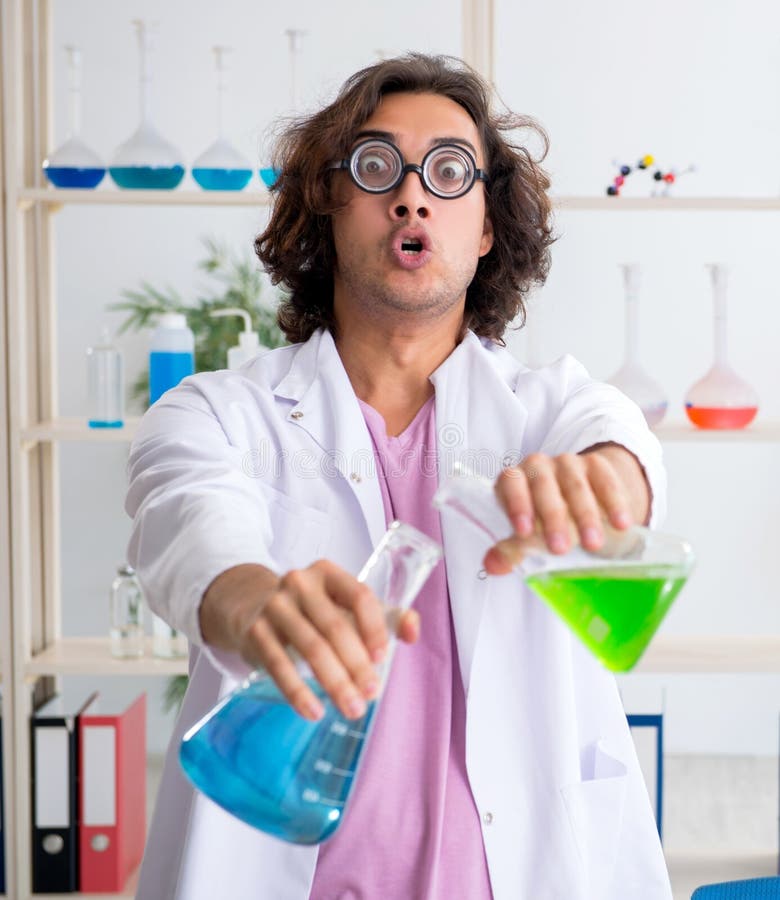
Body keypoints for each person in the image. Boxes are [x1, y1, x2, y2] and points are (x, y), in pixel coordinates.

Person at [127, 53, 671, 900]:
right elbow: (187, 522)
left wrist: (605, 485)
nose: (413, 195)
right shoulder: (220, 411)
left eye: (450, 172)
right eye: (376, 166)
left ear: (486, 226)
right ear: (329, 207)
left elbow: (618, 446)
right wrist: (251, 604)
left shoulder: (545, 405)